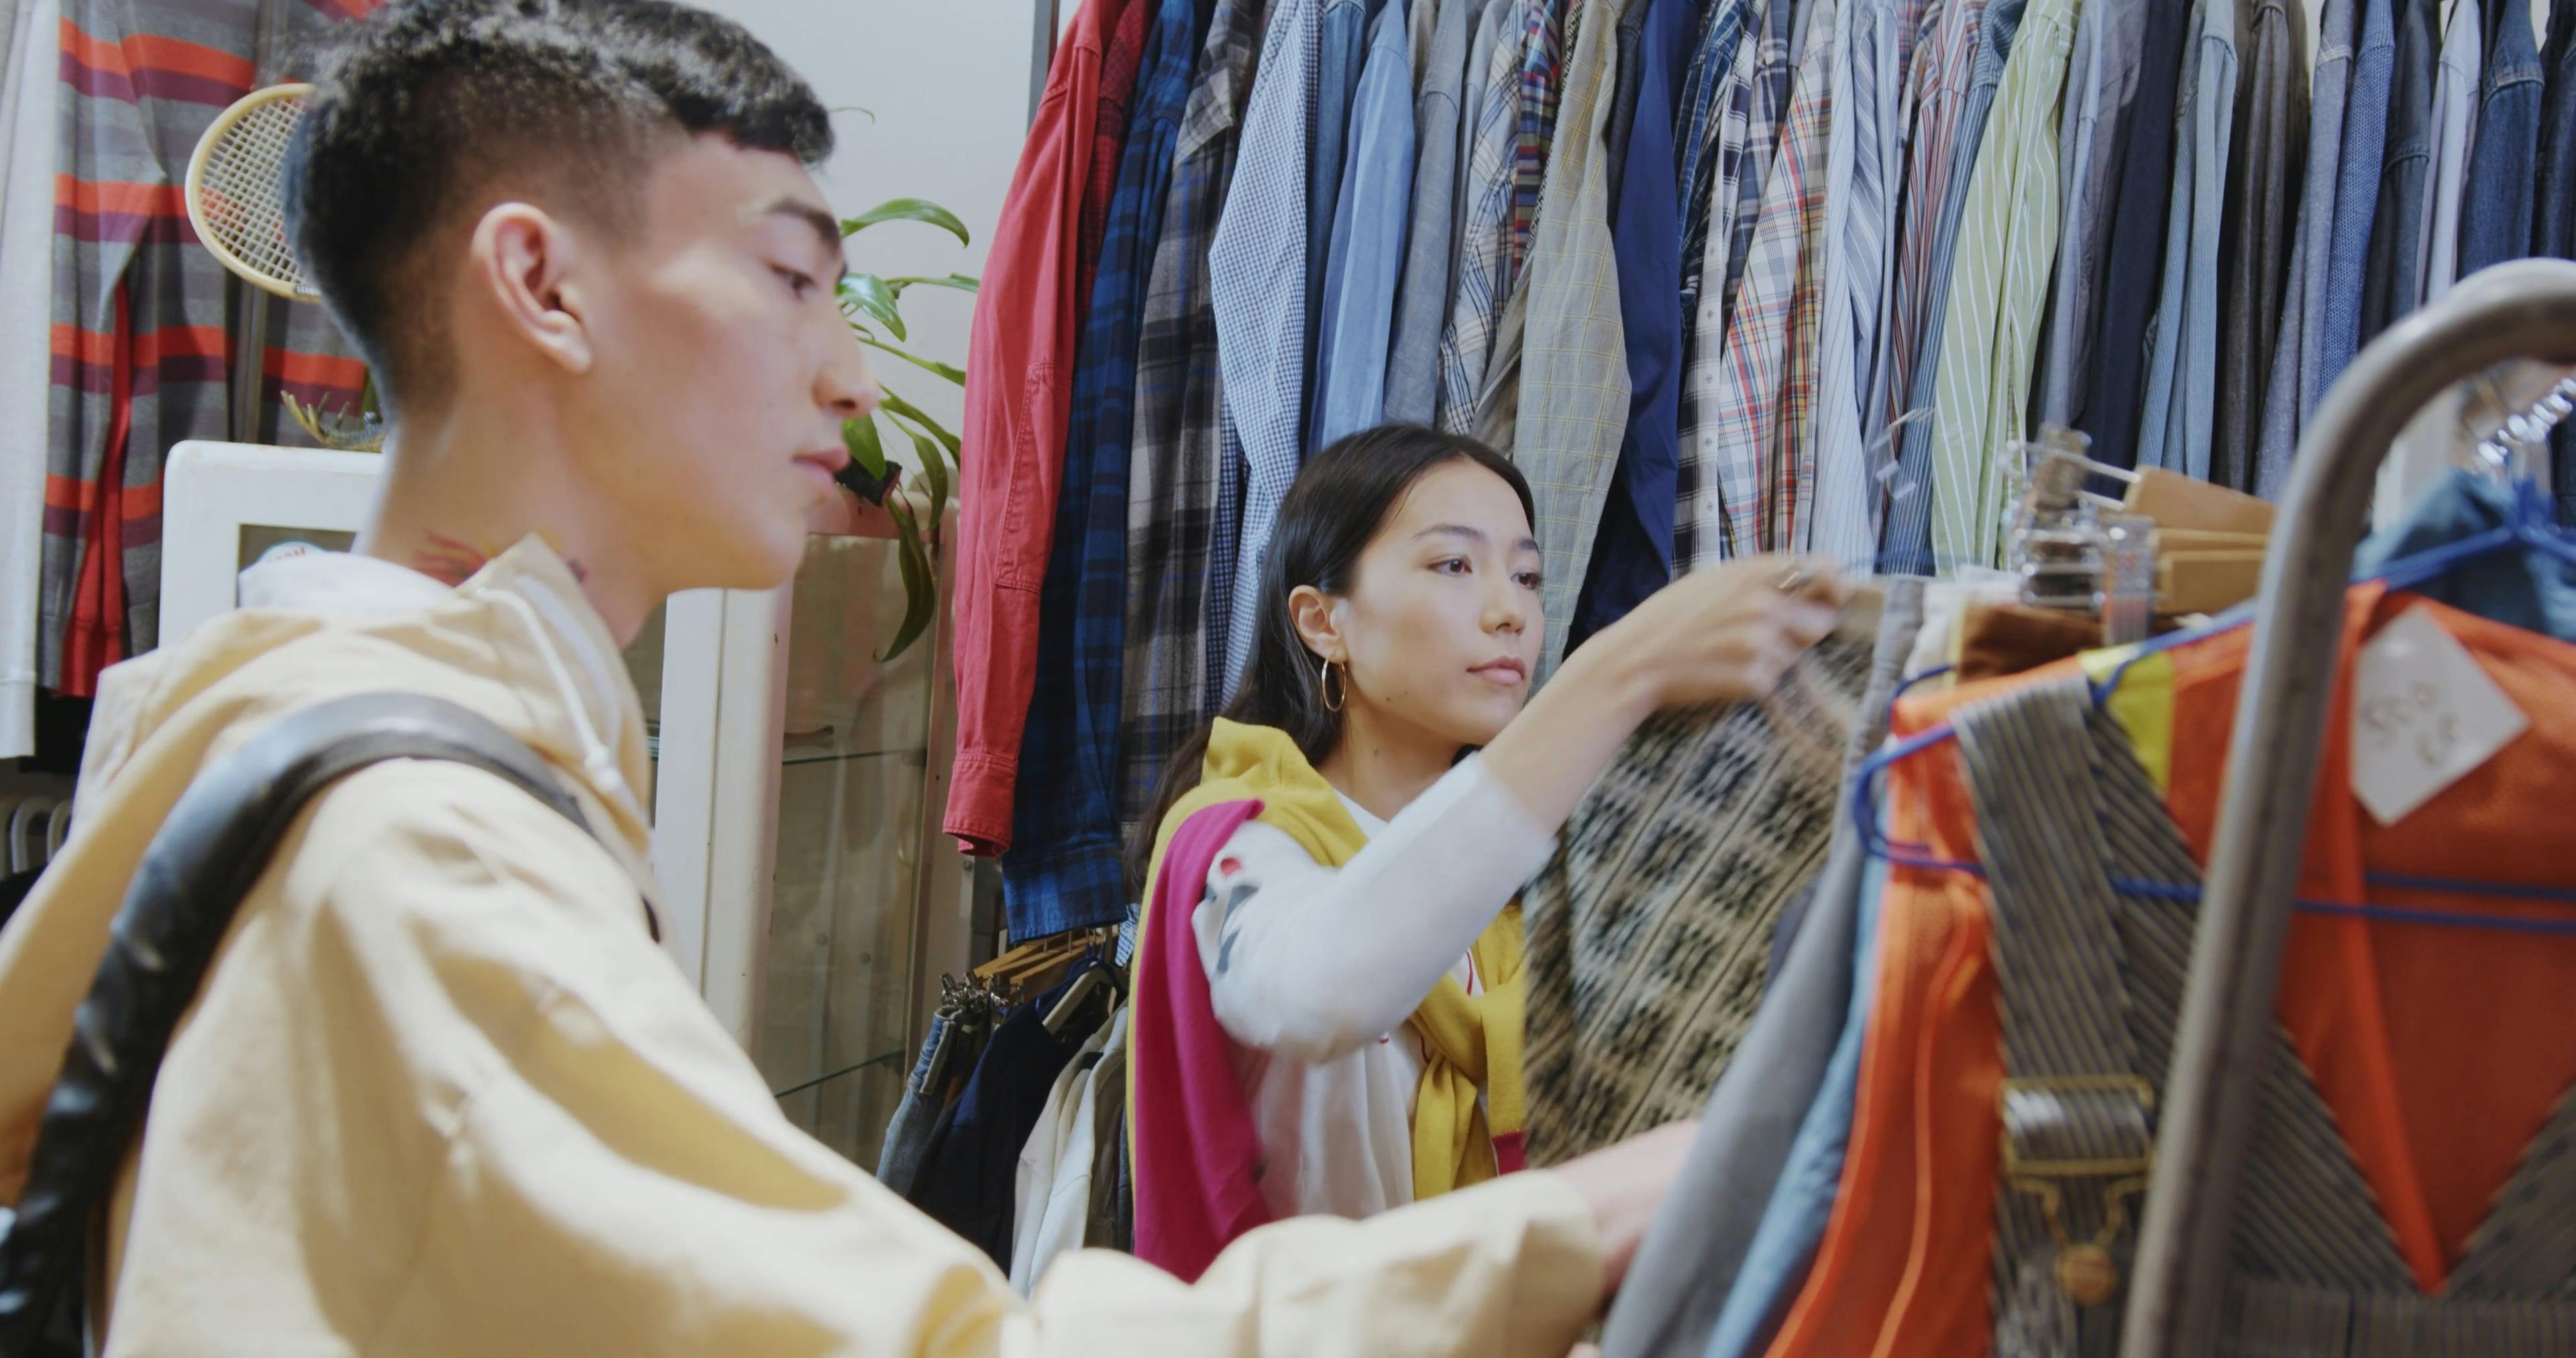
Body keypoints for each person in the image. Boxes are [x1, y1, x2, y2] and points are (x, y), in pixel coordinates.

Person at [0, 0, 1697, 1351]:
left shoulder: (291, 698)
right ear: (537, 283)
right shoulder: (421, 849)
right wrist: (1633, 1201)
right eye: (791, 276)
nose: (844, 367)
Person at [1125, 427, 1847, 1276]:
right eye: (1453, 567)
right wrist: (1615, 673)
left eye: (1529, 576)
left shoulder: (1550, 872)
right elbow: (1322, 991)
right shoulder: (1234, 843)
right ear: (1324, 622)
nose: (1511, 609)